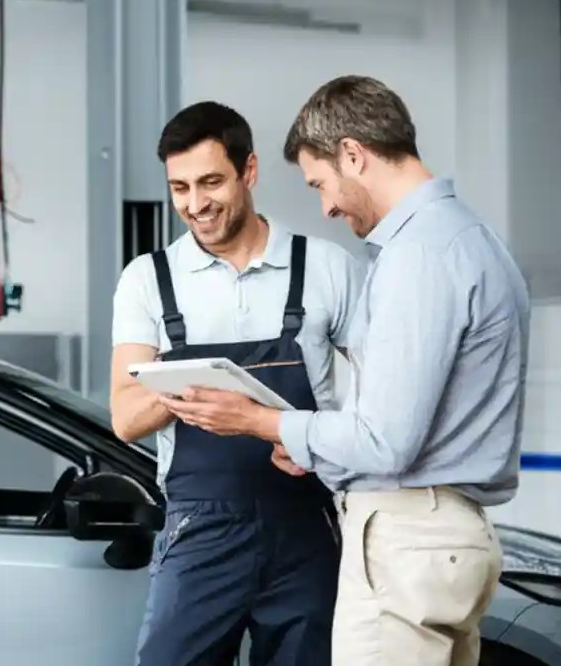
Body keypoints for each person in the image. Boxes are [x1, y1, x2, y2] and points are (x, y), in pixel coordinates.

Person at [160, 75, 530, 666]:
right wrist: (315, 449)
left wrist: (267, 424)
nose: (327, 206)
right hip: (453, 537)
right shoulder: (473, 239)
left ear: (353, 154)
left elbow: (384, 442)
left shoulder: (417, 258)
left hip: (410, 539)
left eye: (321, 182)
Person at [110, 100, 365, 666]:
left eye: (210, 182)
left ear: (248, 171)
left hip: (307, 523)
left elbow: (383, 397)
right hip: (200, 528)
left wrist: (321, 443)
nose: (195, 205)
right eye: (179, 188)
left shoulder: (327, 268)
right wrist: (191, 390)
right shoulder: (147, 281)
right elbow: (125, 418)